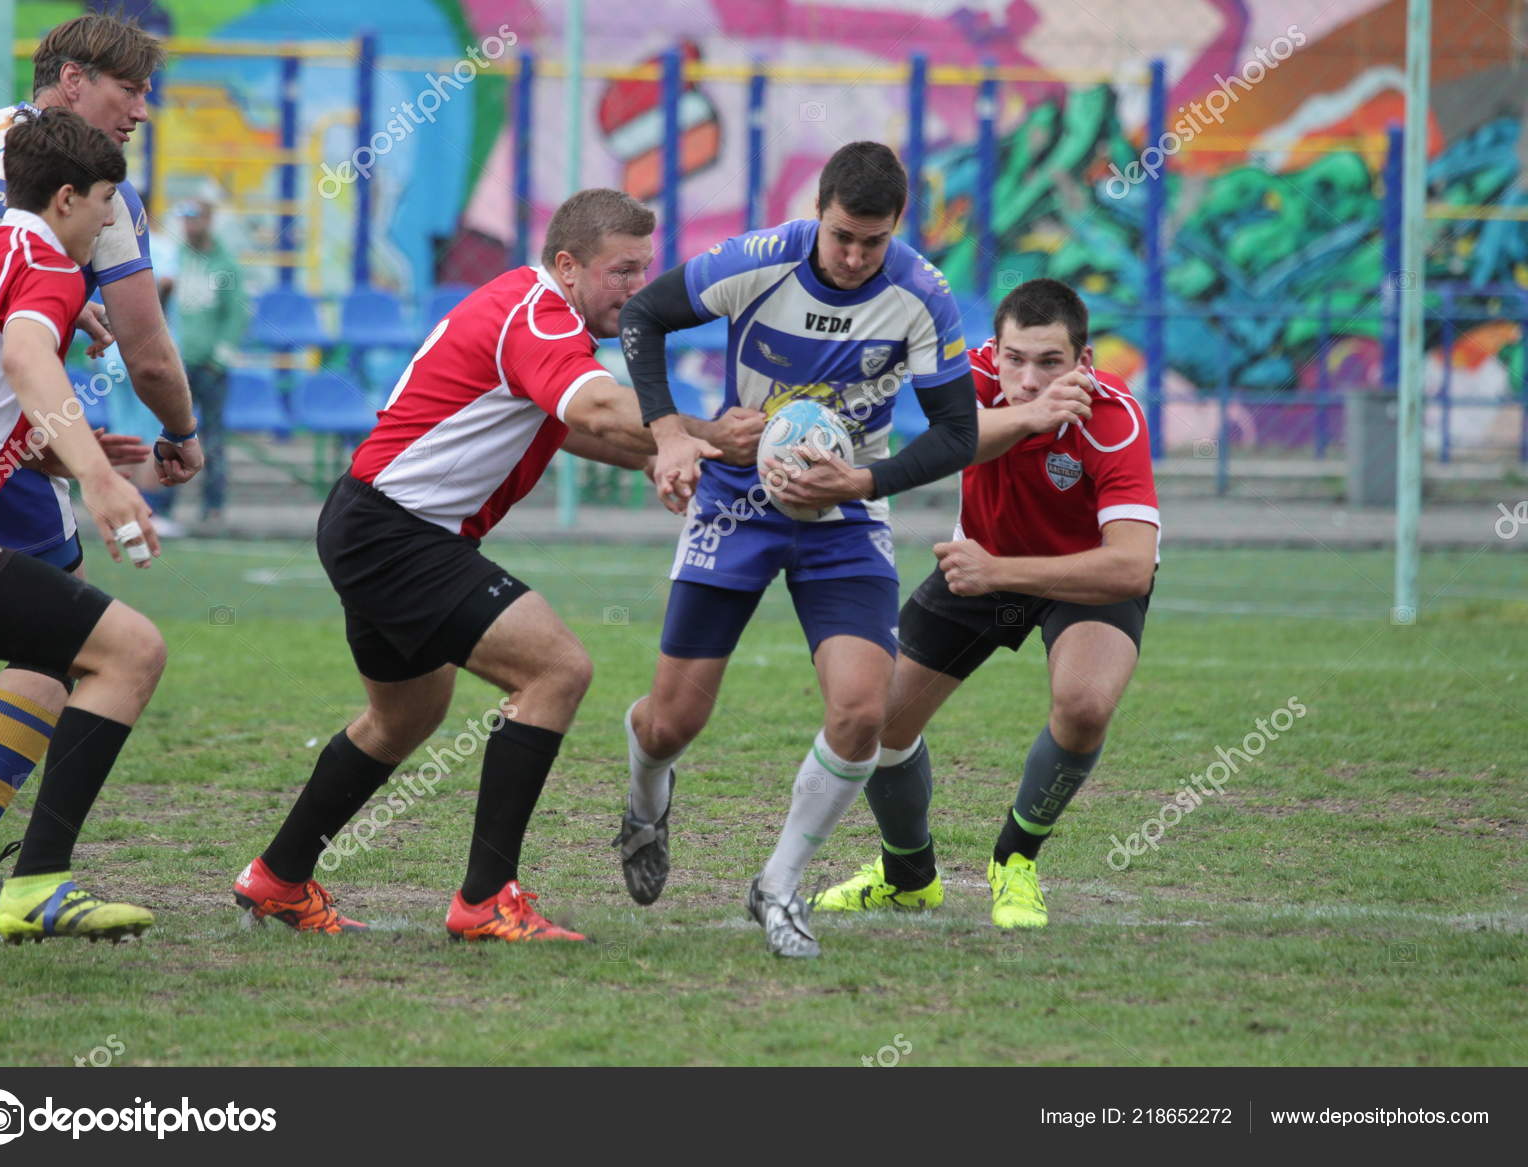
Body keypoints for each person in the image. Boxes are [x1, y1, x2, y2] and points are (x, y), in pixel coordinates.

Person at [233, 188, 757, 940]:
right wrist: (697, 434)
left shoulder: (535, 310)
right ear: (569, 266)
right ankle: (485, 898)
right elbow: (598, 412)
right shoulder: (541, 313)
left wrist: (673, 448)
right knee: (557, 670)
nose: (638, 288)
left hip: (378, 524)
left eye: (646, 270)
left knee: (403, 716)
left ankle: (278, 877)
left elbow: (576, 429)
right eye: (622, 271)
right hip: (396, 534)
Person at [613, 141, 978, 957]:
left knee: (861, 709)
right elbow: (642, 317)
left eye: (872, 242)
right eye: (842, 235)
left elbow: (959, 431)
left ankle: (779, 884)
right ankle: (645, 798)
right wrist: (673, 433)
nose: (853, 257)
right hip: (736, 501)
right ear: (819, 212)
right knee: (672, 722)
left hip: (844, 517)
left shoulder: (921, 295)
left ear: (897, 232)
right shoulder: (758, 260)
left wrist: (862, 484)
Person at [0, 13, 202, 919]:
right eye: (131, 92)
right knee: (115, 644)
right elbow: (41, 361)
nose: (141, 112)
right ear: (72, 198)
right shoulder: (57, 256)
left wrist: (51, 444)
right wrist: (99, 469)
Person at [810, 278, 1160, 928]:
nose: (1029, 378)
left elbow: (1133, 566)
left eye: (1050, 362)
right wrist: (1029, 416)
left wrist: (1002, 570)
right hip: (983, 562)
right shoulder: (970, 375)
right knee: (876, 719)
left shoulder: (1112, 417)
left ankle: (1016, 859)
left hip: (1078, 575)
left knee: (1084, 705)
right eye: (1016, 359)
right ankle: (907, 875)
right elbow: (947, 442)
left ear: (1083, 363)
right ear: (994, 352)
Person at [166, 195, 248, 534]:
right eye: (185, 217)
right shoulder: (175, 258)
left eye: (196, 217)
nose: (189, 224)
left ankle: (213, 508)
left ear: (209, 220)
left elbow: (237, 314)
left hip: (209, 368)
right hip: (177, 364)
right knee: (170, 436)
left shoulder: (226, 263)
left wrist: (220, 357)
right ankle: (162, 508)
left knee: (212, 439)